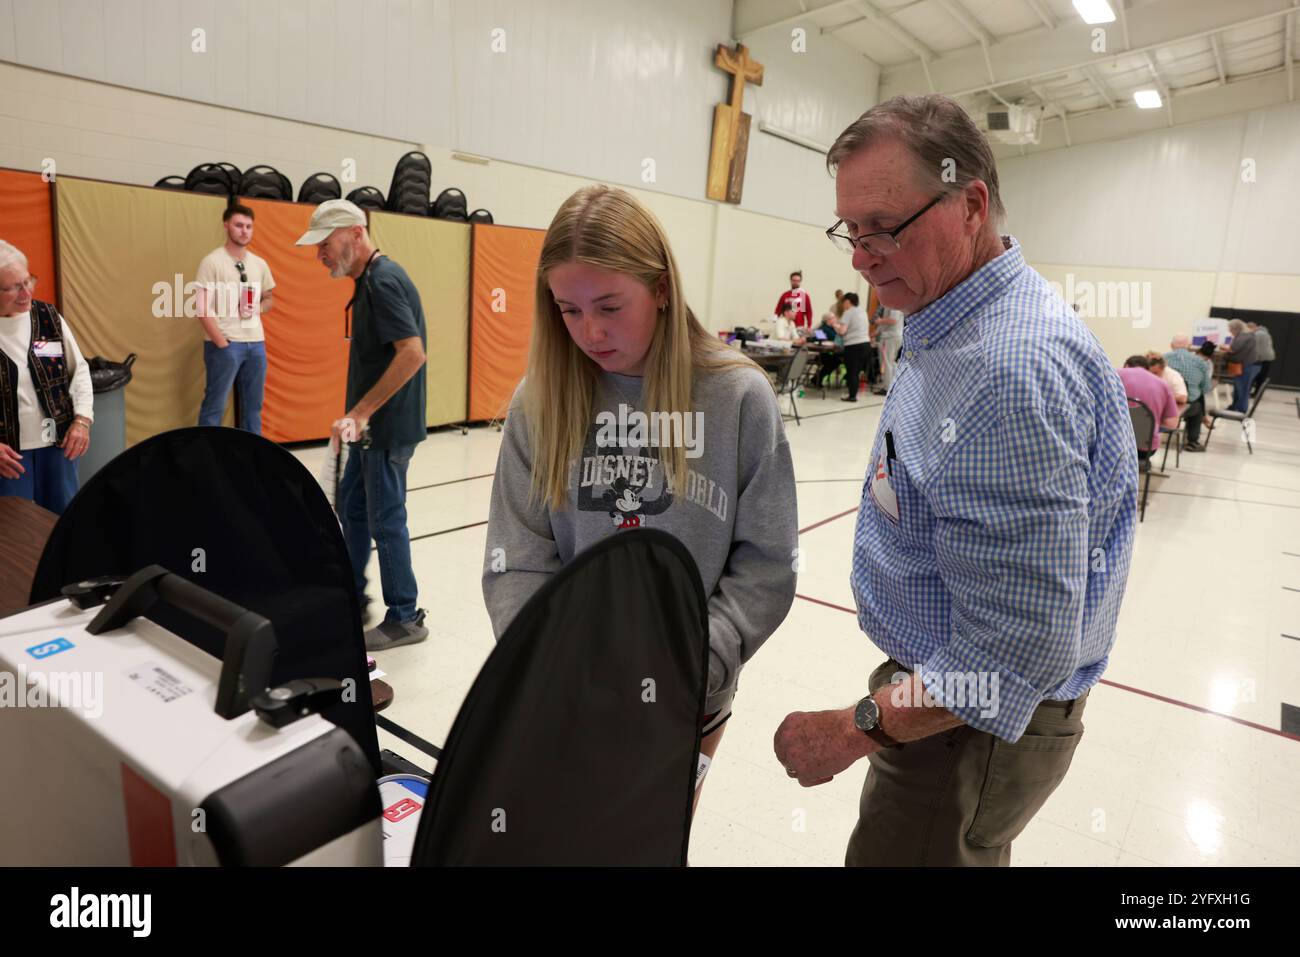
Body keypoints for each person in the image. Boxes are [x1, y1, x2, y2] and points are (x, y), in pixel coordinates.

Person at [774, 94, 1137, 867]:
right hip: (942, 703)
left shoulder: (1007, 371)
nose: (861, 255)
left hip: (962, 728)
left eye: (884, 227)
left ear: (971, 204)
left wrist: (851, 727)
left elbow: (1009, 653)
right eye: (850, 230)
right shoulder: (953, 318)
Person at [483, 184, 798, 815]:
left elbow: (766, 564)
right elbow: (516, 556)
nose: (590, 331)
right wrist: (549, 667)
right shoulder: (539, 401)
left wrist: (694, 665)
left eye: (608, 305)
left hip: (689, 693)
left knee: (651, 833)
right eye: (568, 310)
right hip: (569, 688)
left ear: (659, 288)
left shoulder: (738, 397)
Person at [296, 199, 429, 650]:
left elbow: (412, 353)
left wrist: (361, 413)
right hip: (371, 429)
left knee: (385, 519)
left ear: (355, 232)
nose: (321, 255)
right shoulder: (370, 279)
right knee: (352, 509)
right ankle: (350, 593)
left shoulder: (383, 280)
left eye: (326, 244)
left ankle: (405, 616)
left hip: (386, 430)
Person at [0, 241, 93, 513]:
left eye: (28, 280)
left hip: (58, 445)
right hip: (10, 456)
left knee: (60, 526)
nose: (26, 292)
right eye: (14, 287)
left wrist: (82, 421)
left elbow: (80, 371)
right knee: (14, 535)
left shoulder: (47, 317)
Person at [195, 204, 276, 433]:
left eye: (249, 226)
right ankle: (207, 455)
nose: (244, 231)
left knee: (253, 407)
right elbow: (201, 308)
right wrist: (222, 343)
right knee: (214, 406)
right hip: (226, 345)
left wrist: (257, 308)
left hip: (256, 344)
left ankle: (252, 457)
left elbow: (270, 299)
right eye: (239, 225)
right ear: (226, 226)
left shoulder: (259, 264)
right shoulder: (212, 262)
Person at [1117, 355, 1179, 471]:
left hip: (1110, 443)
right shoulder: (1162, 384)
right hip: (1144, 448)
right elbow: (1172, 424)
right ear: (1148, 368)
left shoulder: (1113, 374)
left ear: (1126, 366)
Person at [1163, 334, 1212, 451]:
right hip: (1187, 405)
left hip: (1163, 403)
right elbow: (1205, 388)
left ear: (1171, 345)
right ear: (1189, 346)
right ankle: (1193, 441)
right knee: (1198, 404)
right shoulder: (1201, 363)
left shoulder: (1163, 358)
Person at [830, 292, 870, 401]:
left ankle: (852, 396)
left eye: (843, 302)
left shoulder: (848, 312)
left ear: (847, 301)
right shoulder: (862, 311)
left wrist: (834, 325)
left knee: (852, 371)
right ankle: (853, 394)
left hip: (853, 346)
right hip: (865, 344)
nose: (842, 305)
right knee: (856, 371)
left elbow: (842, 331)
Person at [1219, 319, 1260, 412]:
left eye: (1230, 329)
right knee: (1239, 388)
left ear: (1235, 328)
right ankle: (1235, 406)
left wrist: (1225, 354)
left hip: (1247, 366)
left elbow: (1234, 349)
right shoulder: (1246, 335)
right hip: (1248, 365)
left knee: (1243, 389)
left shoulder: (1243, 336)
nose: (1229, 332)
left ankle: (1241, 410)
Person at [873, 301, 904, 394]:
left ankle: (887, 388)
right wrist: (875, 333)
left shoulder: (893, 304)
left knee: (886, 363)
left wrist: (879, 321)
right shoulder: (896, 304)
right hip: (894, 336)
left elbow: (892, 320)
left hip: (890, 337)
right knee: (891, 362)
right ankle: (893, 385)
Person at [1247, 321, 1274, 396]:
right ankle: (1257, 393)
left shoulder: (1258, 334)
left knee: (1255, 376)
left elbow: (1254, 347)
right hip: (1267, 357)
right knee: (1261, 377)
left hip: (1262, 358)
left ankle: (1249, 392)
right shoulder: (1264, 332)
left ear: (1251, 328)